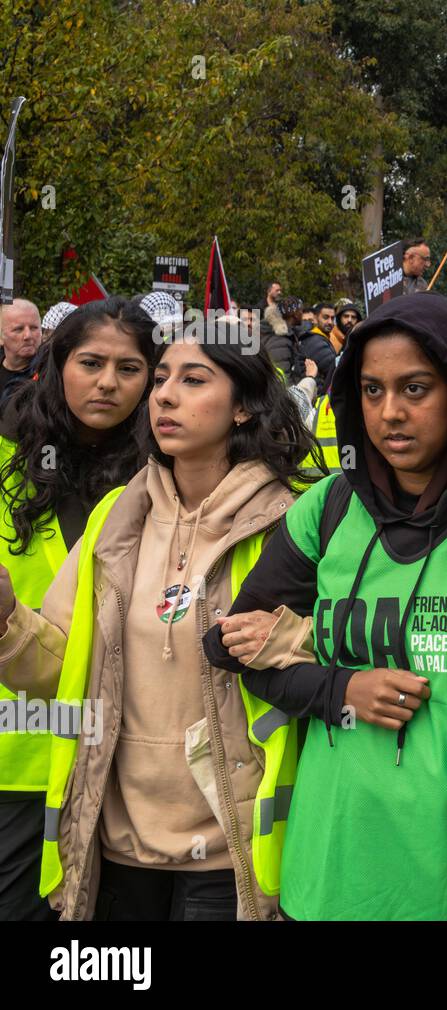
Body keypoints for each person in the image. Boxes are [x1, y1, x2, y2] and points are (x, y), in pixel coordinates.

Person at [203, 293, 447, 920]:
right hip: (328, 874)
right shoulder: (328, 509)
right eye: (371, 391)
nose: (390, 413)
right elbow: (231, 645)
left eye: (416, 389)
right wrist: (338, 688)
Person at [0, 318, 322, 921]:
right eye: (162, 379)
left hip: (234, 857)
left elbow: (349, 659)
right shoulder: (116, 519)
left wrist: (288, 640)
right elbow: (57, 676)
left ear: (245, 409)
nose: (165, 395)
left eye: (194, 380)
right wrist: (7, 624)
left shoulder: (297, 523)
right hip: (117, 852)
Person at [0, 298, 156, 921]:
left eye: (129, 368)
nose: (107, 383)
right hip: (21, 757)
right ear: (56, 363)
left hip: (122, 760)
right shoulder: (7, 460)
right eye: (90, 362)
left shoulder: (166, 474)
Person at [265, 296, 336, 393]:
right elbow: (283, 381)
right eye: (301, 311)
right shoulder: (280, 341)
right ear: (294, 314)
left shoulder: (293, 335)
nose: (302, 314)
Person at [1, 300, 42, 407]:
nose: (28, 335)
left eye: (34, 328)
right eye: (18, 329)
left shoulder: (50, 374)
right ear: (1, 337)